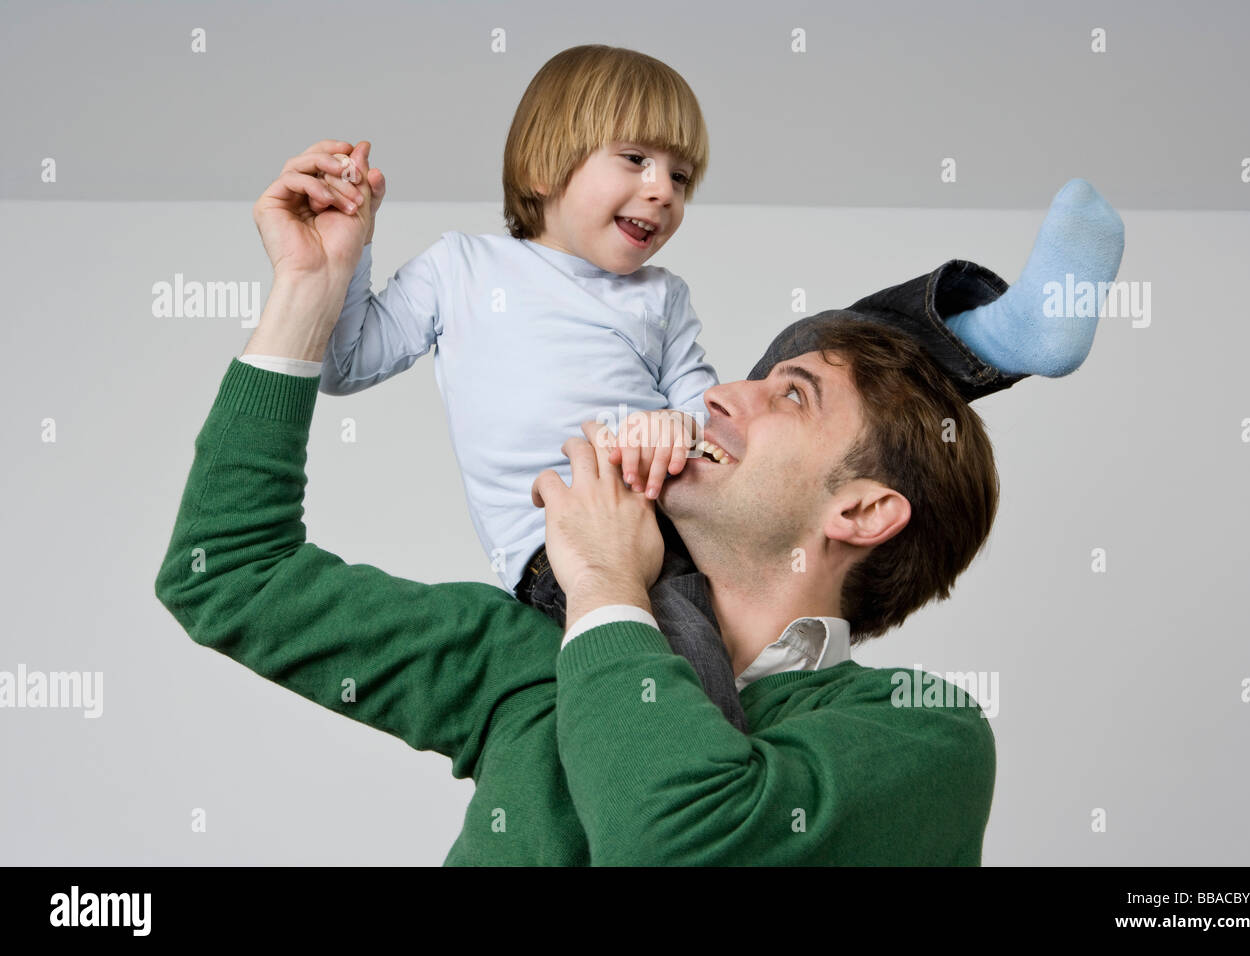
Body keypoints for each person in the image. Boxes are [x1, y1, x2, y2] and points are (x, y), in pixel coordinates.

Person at [156, 133, 1116, 865]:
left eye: (791, 395)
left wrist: (610, 585)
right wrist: (309, 297)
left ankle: (998, 336)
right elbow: (227, 575)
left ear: (861, 513)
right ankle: (994, 333)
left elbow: (674, 839)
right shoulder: (530, 660)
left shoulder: (919, 733)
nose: (720, 393)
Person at [254, 45, 1123, 731]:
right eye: (635, 159)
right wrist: (347, 249)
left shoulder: (661, 297)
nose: (661, 191)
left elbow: (707, 404)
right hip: (580, 547)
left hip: (676, 494)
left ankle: (996, 332)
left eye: (681, 177)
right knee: (677, 637)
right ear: (545, 166)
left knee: (809, 360)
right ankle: (715, 762)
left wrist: (671, 434)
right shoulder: (461, 267)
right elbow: (345, 363)